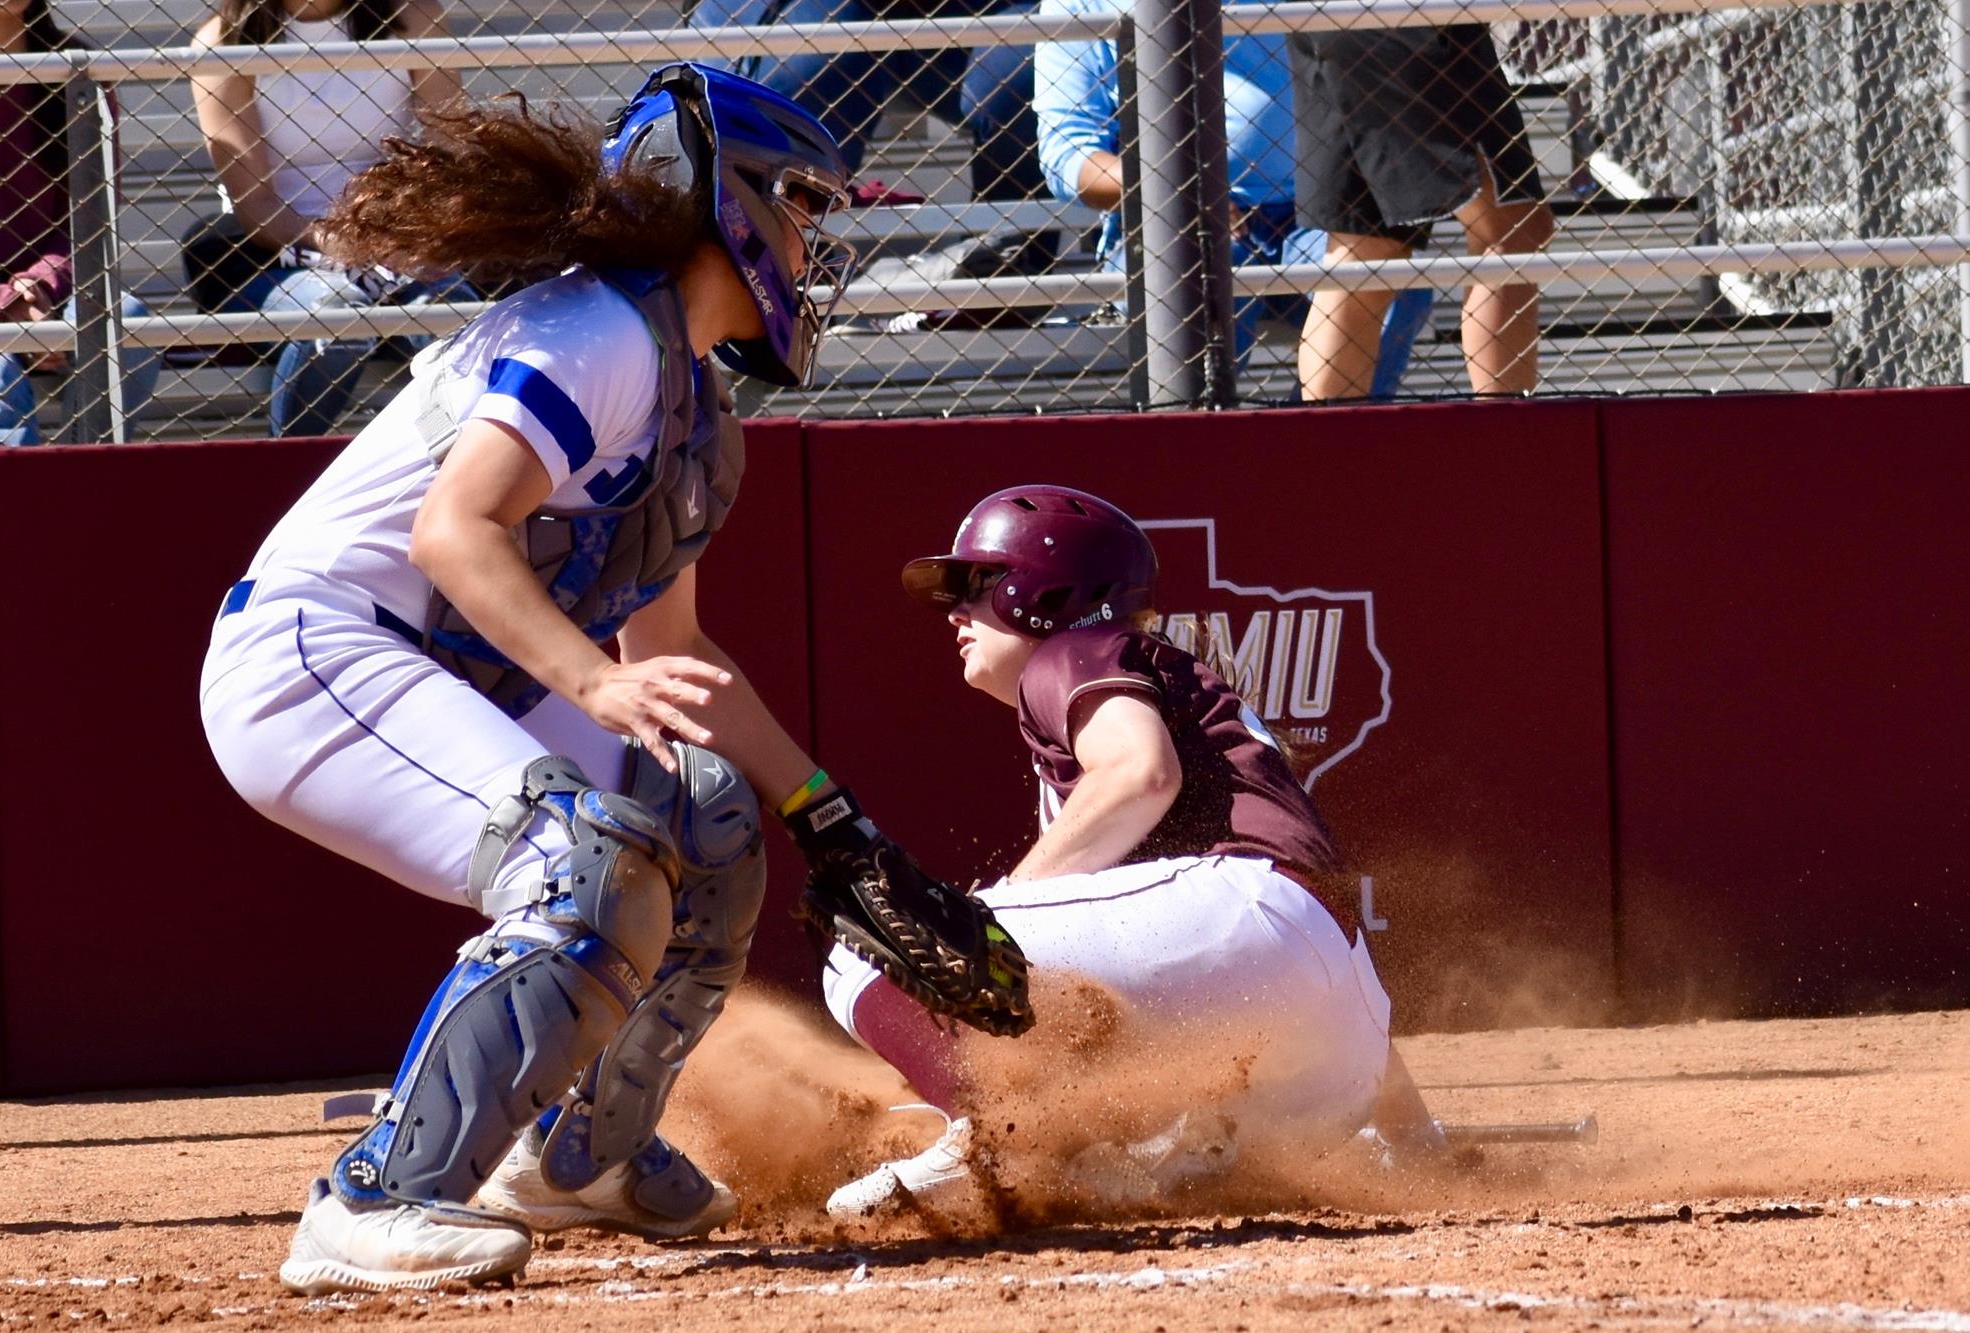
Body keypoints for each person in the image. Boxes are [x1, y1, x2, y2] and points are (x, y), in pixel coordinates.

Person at [200, 63, 1024, 1295]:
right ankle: (373, 1199)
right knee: (579, 854)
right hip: (316, 650)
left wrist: (830, 817)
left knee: (709, 815)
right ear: (722, 198)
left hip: (436, 665)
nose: (814, 241)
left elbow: (674, 657)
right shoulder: (594, 331)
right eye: (800, 203)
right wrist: (587, 685)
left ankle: (580, 1152)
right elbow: (454, 533)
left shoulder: (691, 406)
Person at [819, 484, 1446, 1216]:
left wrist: (976, 940)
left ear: (1043, 590)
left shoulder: (1071, 649)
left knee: (873, 930)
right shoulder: (1130, 681)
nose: (954, 613)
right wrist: (1418, 1137)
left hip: (1253, 923)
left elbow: (1141, 773)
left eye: (975, 585)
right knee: (1103, 1139)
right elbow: (1316, 960)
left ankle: (994, 1137)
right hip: (1335, 1056)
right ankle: (1110, 1144)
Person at [1032, 0, 1432, 395]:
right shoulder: (1081, 3)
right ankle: (1203, 445)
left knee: (1393, 282)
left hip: (1320, 209)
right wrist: (1179, 191)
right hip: (1178, 221)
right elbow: (1066, 154)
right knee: (1196, 292)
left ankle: (1321, 446)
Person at [188, 0, 468, 437]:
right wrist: (356, 245)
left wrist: (414, 231)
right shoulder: (223, 41)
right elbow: (258, 209)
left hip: (394, 237)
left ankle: (454, 473)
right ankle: (292, 479)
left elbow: (449, 158)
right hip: (281, 251)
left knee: (454, 311)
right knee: (338, 320)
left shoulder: (412, 17)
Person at [1289, 25, 1557, 400]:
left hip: (1324, 19)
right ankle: (1506, 438)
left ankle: (1330, 448)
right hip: (1408, 20)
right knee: (1509, 230)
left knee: (1364, 252)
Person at [0, 0, 159, 445]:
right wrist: (0, 304)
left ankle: (80, 483)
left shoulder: (77, 73)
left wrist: (41, 290)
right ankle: (9, 511)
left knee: (128, 325)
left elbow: (93, 218)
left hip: (49, 292)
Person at [688, 0, 1046, 206]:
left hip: (980, 10)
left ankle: (1002, 266)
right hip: (795, 8)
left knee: (1022, 71)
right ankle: (785, 260)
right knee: (811, 64)